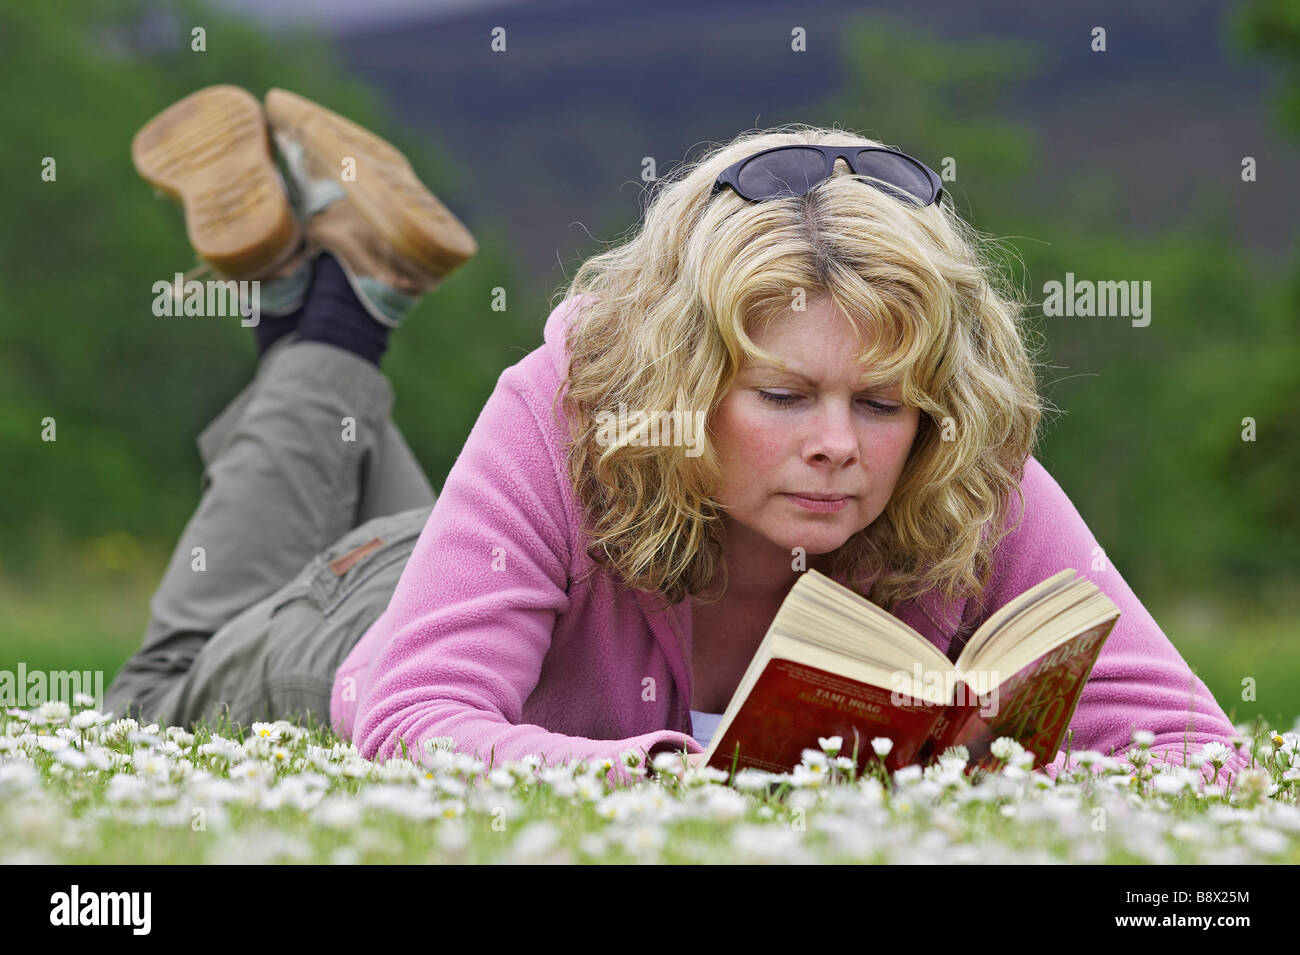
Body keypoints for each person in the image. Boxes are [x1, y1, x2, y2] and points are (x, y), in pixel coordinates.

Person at [105, 86, 1250, 788]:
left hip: (489, 575)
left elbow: (1200, 753)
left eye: (882, 402)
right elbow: (411, 717)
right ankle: (347, 302)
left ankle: (353, 276)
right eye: (784, 396)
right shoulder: (569, 402)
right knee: (151, 703)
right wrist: (691, 784)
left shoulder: (964, 459)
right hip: (370, 617)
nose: (839, 444)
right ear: (686, 378)